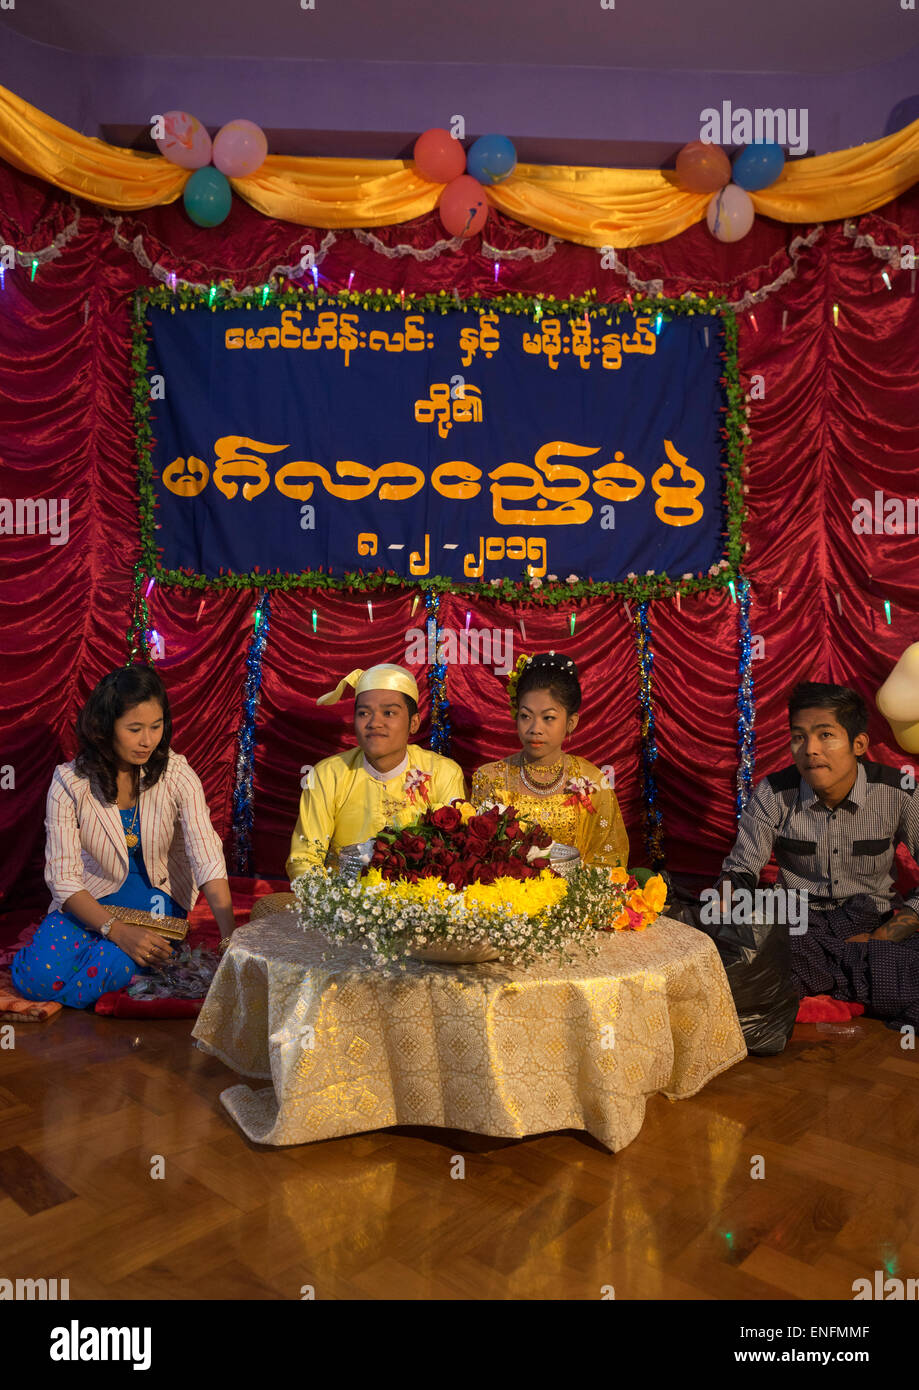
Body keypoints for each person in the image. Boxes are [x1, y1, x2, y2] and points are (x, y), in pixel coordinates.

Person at [11, 666, 236, 1009]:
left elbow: (206, 854)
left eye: (156, 726)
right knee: (35, 979)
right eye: (134, 729)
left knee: (108, 968)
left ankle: (94, 977)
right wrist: (117, 931)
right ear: (105, 729)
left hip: (158, 905)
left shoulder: (178, 775)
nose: (148, 740)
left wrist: (229, 936)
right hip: (92, 902)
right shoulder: (69, 783)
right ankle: (87, 979)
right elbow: (63, 880)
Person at [718, 681, 919, 1027]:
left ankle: (826, 987)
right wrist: (730, 913)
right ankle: (852, 985)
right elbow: (740, 872)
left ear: (859, 744)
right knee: (742, 962)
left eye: (826, 735)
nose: (810, 749)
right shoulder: (773, 793)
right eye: (799, 737)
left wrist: (881, 937)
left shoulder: (898, 792)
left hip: (873, 920)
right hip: (798, 924)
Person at [287, 663, 466, 880]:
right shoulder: (326, 775)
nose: (374, 723)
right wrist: (331, 905)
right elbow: (304, 859)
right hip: (342, 904)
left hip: (420, 903)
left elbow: (453, 855)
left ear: (414, 722)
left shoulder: (442, 773)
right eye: (364, 713)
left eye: (389, 713)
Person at [471, 652, 629, 868]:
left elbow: (609, 860)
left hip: (574, 898)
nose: (535, 729)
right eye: (526, 716)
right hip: (505, 898)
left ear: (571, 722)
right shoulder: (489, 778)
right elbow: (476, 855)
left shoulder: (592, 781)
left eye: (548, 718)